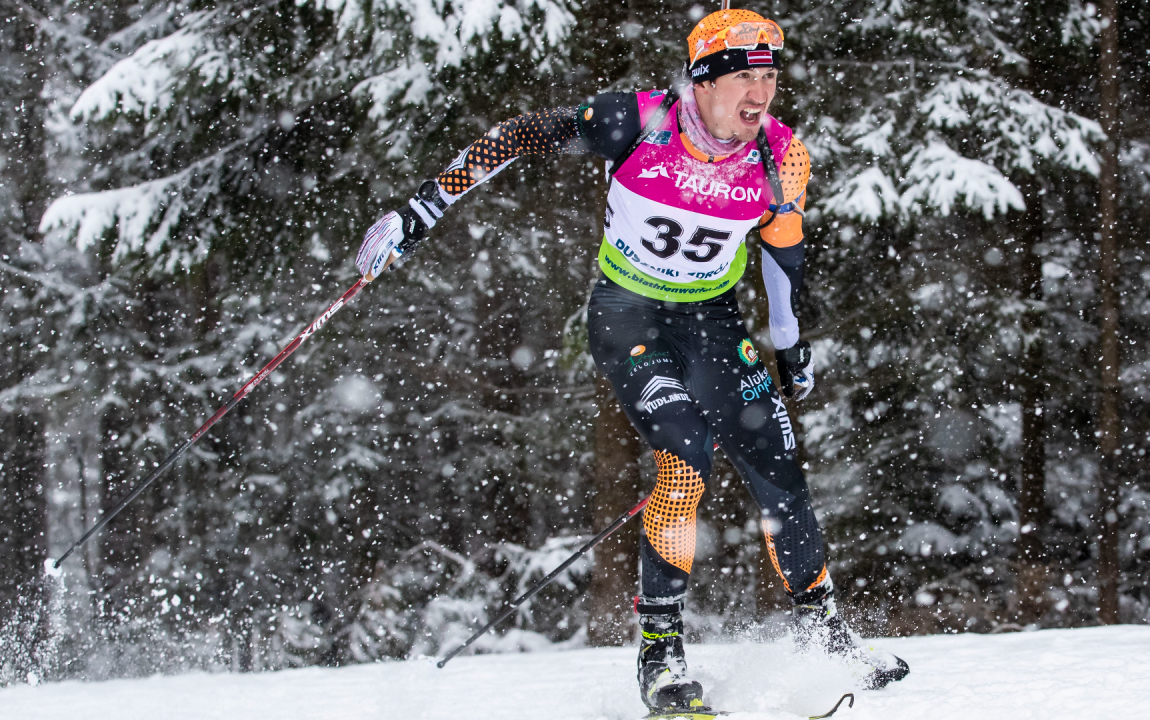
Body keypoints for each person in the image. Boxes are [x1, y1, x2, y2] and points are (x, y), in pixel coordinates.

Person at [356, 6, 908, 711]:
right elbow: (519, 136)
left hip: (710, 321)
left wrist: (790, 344)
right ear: (702, 82)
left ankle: (825, 638)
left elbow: (782, 254)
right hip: (628, 316)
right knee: (685, 460)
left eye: (768, 78)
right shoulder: (639, 123)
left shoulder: (780, 155)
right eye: (742, 77)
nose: (759, 95)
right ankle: (662, 655)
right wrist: (420, 212)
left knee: (779, 474)